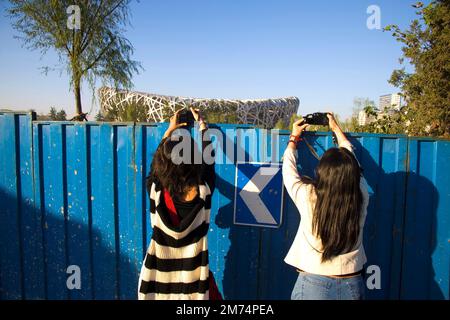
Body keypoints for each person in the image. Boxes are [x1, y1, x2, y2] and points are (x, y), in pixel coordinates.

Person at [282, 113, 369, 300]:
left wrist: (293, 139)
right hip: (352, 284)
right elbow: (354, 165)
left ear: (322, 173)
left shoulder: (308, 196)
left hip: (312, 284)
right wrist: (337, 129)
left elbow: (289, 172)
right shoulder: (361, 195)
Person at [138, 107, 222, 300]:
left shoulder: (156, 192)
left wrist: (170, 129)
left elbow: (154, 169)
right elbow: (209, 164)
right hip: (193, 282)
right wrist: (202, 125)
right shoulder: (204, 192)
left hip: (157, 280)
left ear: (163, 163)